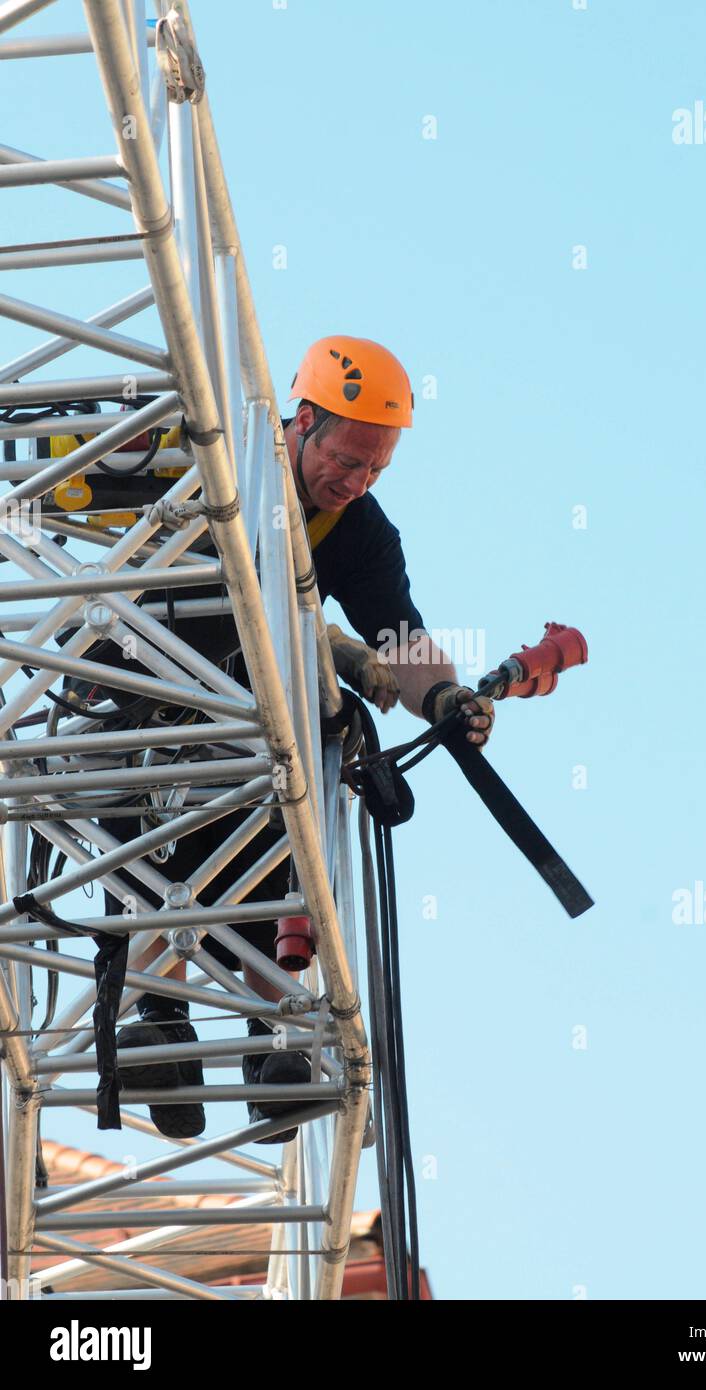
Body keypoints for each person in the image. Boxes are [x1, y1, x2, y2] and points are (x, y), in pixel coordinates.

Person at [109, 337, 494, 1140]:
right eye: (347, 460)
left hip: (252, 735)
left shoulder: (358, 530)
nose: (354, 482)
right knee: (144, 844)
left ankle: (274, 1041)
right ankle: (159, 1025)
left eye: (374, 471)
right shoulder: (211, 454)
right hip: (140, 699)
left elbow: (400, 638)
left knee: (276, 845)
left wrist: (448, 699)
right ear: (302, 421)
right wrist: (331, 647)